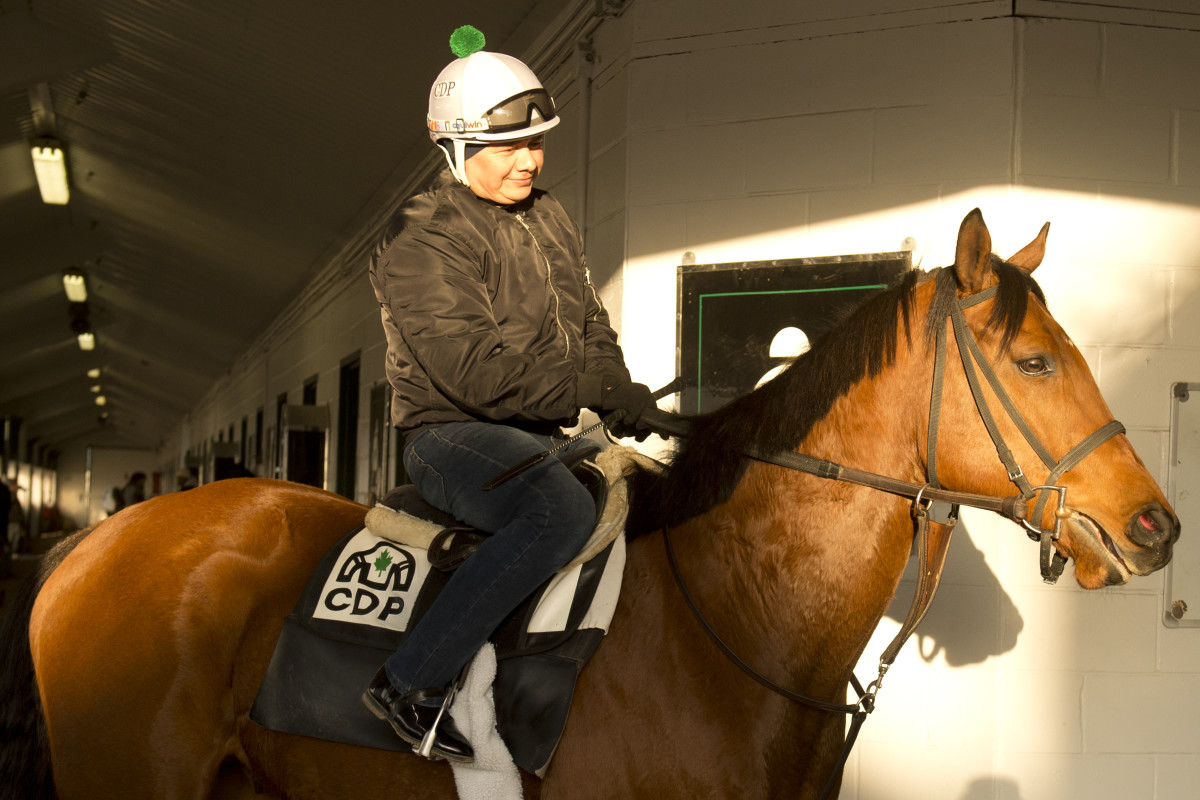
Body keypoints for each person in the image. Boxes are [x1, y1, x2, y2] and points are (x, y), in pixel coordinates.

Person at [362, 26, 654, 763]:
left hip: (542, 429)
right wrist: (588, 390)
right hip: (452, 434)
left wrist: (617, 386)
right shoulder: (418, 236)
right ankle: (410, 681)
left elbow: (589, 322)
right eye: (507, 147)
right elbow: (474, 372)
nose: (529, 160)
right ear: (456, 148)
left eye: (536, 142)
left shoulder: (548, 214)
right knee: (558, 511)